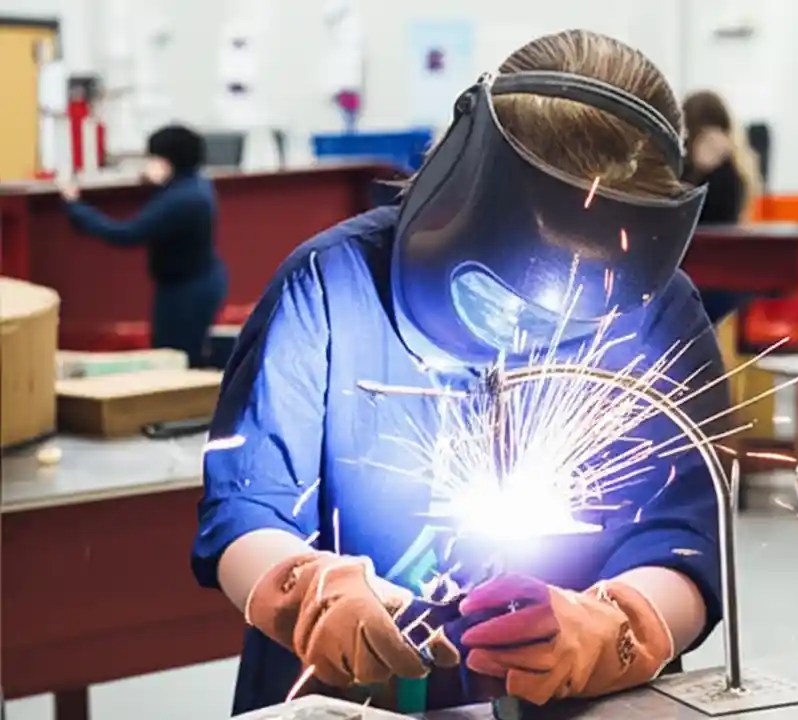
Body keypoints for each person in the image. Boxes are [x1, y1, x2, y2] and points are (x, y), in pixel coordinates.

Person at [192, 30, 727, 714]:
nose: (522, 326)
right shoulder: (331, 287)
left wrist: (619, 625)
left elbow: (683, 536)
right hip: (349, 704)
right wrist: (308, 590)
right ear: (461, 188)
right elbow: (245, 506)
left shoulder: (656, 312)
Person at [59, 125, 226, 367]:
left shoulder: (183, 200)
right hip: (194, 282)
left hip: (186, 293)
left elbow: (126, 234)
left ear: (167, 161)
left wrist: (75, 207)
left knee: (176, 357)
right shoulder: (195, 186)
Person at [680, 90, 761, 326]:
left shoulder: (730, 173)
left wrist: (708, 171)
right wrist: (698, 171)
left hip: (714, 278)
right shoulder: (678, 169)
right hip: (696, 274)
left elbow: (719, 217)